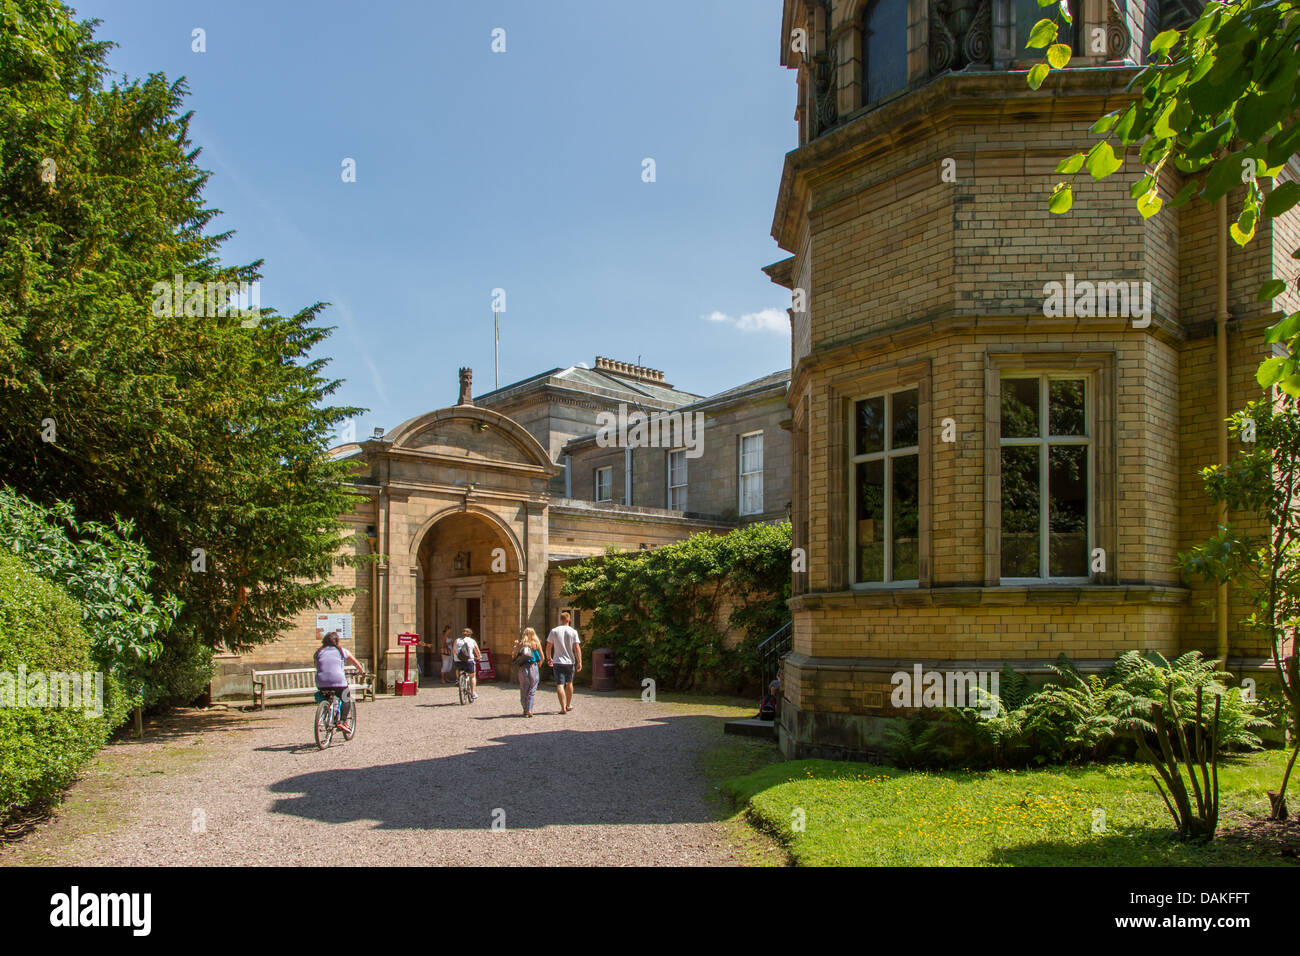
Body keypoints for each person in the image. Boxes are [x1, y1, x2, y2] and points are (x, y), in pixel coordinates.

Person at [314, 631, 363, 737]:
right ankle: (342, 722)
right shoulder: (342, 651)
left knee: (326, 696)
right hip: (338, 681)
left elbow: (317, 666)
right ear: (337, 641)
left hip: (321, 682)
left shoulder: (318, 652)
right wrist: (361, 671)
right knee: (346, 698)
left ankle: (327, 712)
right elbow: (357, 664)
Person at [545, 611, 582, 714]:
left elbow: (548, 647)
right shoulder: (573, 631)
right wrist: (580, 661)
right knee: (569, 683)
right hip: (570, 661)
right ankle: (568, 705)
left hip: (557, 661)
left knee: (560, 684)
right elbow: (577, 647)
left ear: (560, 619)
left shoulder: (554, 631)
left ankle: (562, 708)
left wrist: (549, 658)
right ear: (569, 619)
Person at [512, 628, 543, 717]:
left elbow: (513, 656)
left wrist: (515, 646)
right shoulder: (536, 644)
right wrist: (539, 665)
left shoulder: (520, 644)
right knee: (532, 689)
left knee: (523, 689)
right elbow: (542, 657)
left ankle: (525, 709)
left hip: (523, 667)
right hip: (533, 666)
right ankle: (529, 709)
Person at [454, 627, 481, 701]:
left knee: (458, 668)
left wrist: (455, 658)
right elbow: (477, 651)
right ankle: (473, 693)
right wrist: (479, 657)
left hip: (458, 661)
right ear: (470, 634)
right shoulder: (472, 641)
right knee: (472, 676)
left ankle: (458, 679)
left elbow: (454, 651)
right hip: (469, 661)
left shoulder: (457, 640)